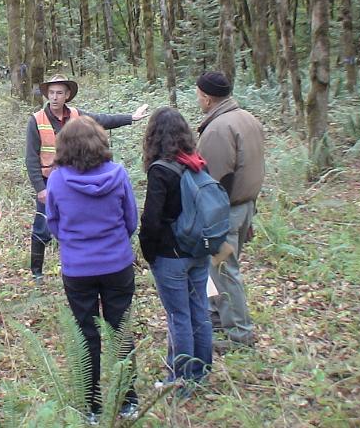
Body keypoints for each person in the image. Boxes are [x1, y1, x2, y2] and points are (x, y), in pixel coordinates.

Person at [45, 116, 139, 421]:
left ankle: (94, 405)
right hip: (117, 264)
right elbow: (131, 220)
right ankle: (128, 400)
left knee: (87, 333)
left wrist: (75, 244)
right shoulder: (119, 174)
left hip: (78, 268)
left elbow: (53, 223)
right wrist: (113, 243)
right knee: (120, 329)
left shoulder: (57, 180)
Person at [25, 74, 148, 282]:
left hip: (74, 178)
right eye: (51, 93)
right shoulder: (36, 120)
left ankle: (76, 264)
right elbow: (31, 158)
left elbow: (102, 120)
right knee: (42, 226)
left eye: (59, 93)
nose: (54, 97)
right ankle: (36, 272)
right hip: (49, 181)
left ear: (67, 95)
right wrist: (40, 188)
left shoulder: (77, 115)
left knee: (76, 222)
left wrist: (131, 118)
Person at [140, 107, 213, 389]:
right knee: (199, 311)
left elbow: (151, 218)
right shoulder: (197, 163)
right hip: (199, 250)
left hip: (171, 256)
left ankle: (181, 380)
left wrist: (148, 252)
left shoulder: (160, 170)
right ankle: (202, 373)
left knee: (179, 316)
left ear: (154, 136)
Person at [195, 71, 265, 350]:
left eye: (199, 94)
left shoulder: (218, 129)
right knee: (219, 269)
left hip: (225, 212)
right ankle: (221, 318)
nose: (198, 99)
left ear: (209, 98)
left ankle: (240, 335)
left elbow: (213, 180)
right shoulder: (248, 118)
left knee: (224, 271)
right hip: (245, 205)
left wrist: (207, 219)